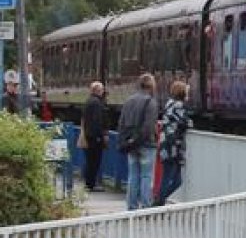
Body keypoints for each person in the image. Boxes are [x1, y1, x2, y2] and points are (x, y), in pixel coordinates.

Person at [116, 74, 158, 211]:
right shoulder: (151, 102)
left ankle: (132, 206)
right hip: (146, 144)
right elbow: (148, 127)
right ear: (151, 86)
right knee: (146, 176)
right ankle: (145, 205)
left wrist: (125, 141)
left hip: (131, 144)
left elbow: (121, 123)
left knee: (133, 175)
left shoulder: (129, 101)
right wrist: (139, 140)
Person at [154, 80, 192, 206]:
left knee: (175, 179)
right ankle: (158, 203)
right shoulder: (179, 106)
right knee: (171, 178)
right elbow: (186, 123)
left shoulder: (169, 105)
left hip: (166, 144)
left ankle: (159, 200)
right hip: (173, 146)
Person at [81, 81, 109, 192]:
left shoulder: (88, 101)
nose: (103, 92)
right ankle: (91, 184)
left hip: (88, 135)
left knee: (89, 161)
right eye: (102, 90)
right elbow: (97, 121)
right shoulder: (97, 103)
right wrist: (100, 136)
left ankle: (89, 183)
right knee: (94, 161)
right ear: (98, 91)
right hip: (94, 137)